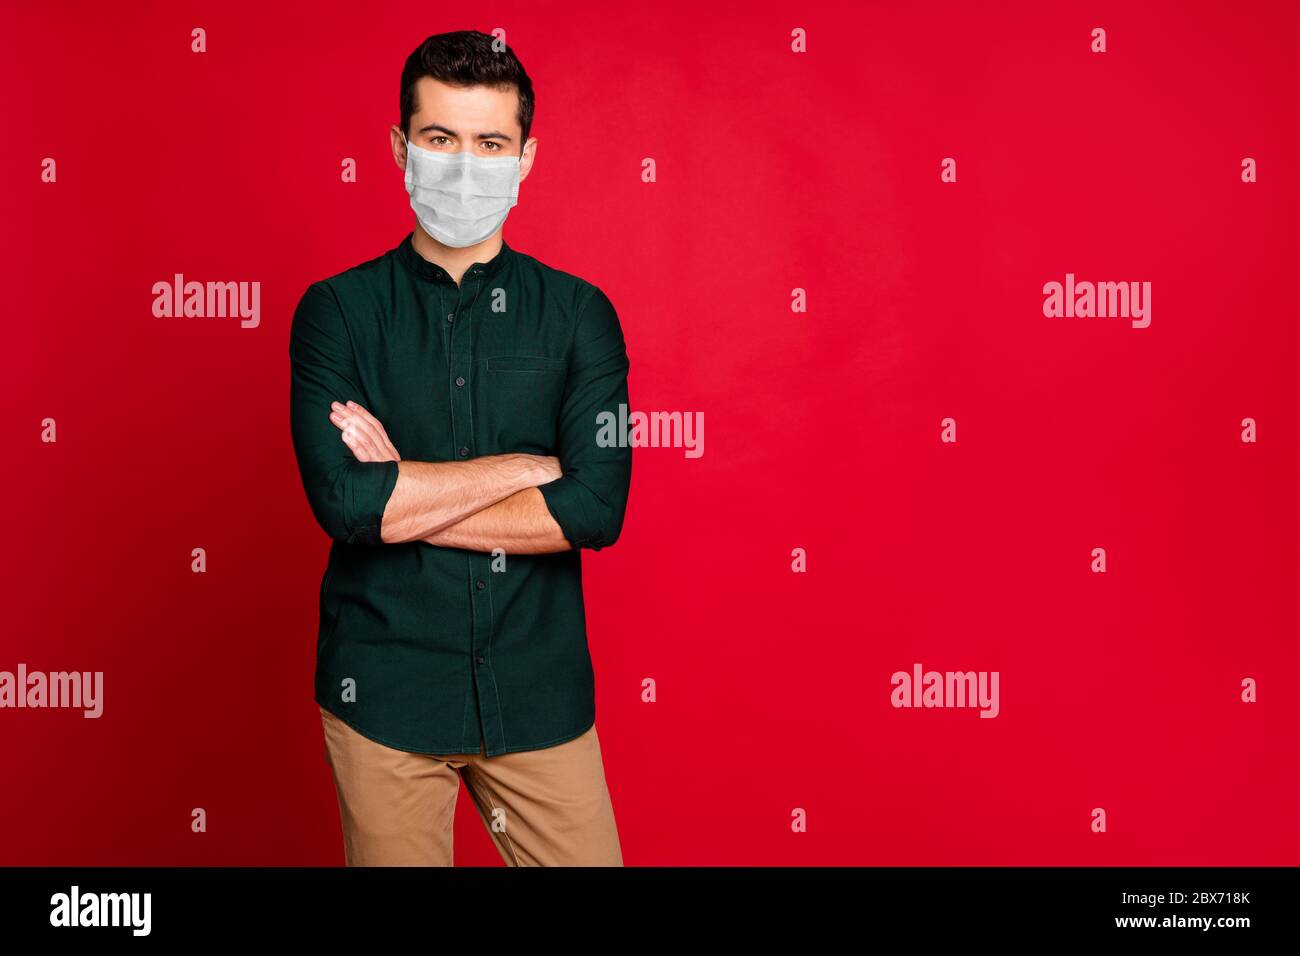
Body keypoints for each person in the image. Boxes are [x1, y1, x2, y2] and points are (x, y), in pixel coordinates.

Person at [288, 29, 632, 866]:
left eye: (490, 143)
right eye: (440, 140)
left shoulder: (581, 314)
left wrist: (402, 495)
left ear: (525, 158)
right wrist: (519, 468)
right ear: (400, 147)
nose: (464, 164)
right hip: (385, 696)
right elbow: (344, 503)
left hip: (538, 693)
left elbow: (594, 508)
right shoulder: (335, 313)